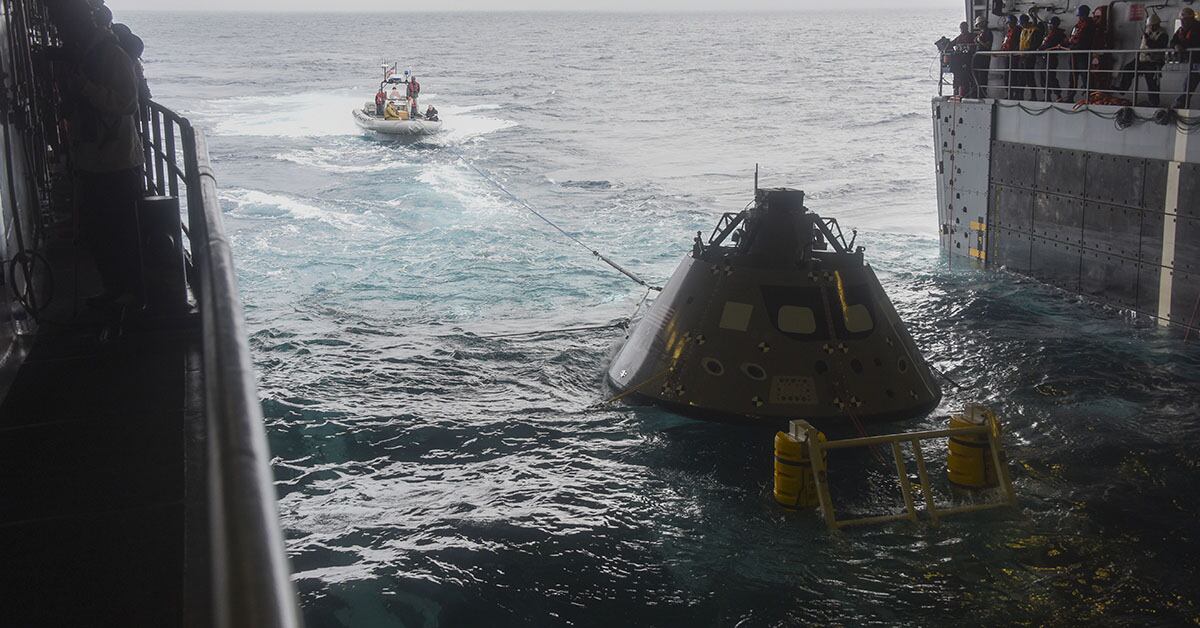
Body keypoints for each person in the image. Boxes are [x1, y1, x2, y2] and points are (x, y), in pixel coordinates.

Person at [56, 2, 145, 307]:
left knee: (122, 229)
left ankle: (132, 291)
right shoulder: (86, 57)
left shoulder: (112, 56)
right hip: (92, 159)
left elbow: (127, 103)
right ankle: (114, 287)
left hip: (117, 160)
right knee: (98, 230)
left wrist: (85, 88)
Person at [1115, 13, 1168, 107]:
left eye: (1151, 26)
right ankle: (1122, 88)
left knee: (1152, 83)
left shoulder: (1163, 35)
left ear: (1156, 25)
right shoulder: (1148, 32)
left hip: (1153, 62)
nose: (1150, 27)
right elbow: (1143, 46)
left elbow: (1157, 47)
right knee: (1128, 68)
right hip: (1141, 59)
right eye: (1149, 26)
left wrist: (1148, 40)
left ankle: (1154, 103)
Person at [1066, 5, 1097, 100]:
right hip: (1074, 54)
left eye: (1081, 15)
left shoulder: (1090, 26)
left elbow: (1086, 41)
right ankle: (1070, 96)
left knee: (1085, 76)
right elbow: (1071, 38)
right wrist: (1067, 44)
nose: (1080, 17)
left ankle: (1090, 97)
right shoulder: (1077, 26)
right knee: (1072, 77)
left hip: (1082, 55)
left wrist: (1074, 47)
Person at [1173, 8, 1200, 109]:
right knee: (1188, 85)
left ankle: (1180, 103)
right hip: (1194, 62)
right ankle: (1180, 105)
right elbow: (1173, 41)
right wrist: (1176, 45)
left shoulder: (1198, 28)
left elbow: (1195, 42)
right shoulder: (1181, 30)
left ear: (1191, 19)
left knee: (1189, 85)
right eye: (1182, 20)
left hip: (1197, 60)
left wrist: (1183, 43)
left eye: (1185, 20)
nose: (1183, 22)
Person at [1038, 16, 1067, 101]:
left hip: (1051, 58)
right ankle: (1047, 96)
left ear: (1055, 25)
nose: (1050, 26)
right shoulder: (1049, 34)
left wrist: (1044, 48)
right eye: (1049, 24)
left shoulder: (1059, 34)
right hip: (1045, 58)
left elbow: (1062, 44)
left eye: (1051, 24)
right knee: (1043, 78)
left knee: (1051, 77)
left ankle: (1058, 95)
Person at [1016, 14, 1043, 99]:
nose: (1021, 25)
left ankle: (1033, 95)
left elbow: (1036, 44)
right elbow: (1020, 43)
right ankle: (1020, 95)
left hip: (1030, 57)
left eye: (1022, 23)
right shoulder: (1023, 30)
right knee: (1021, 76)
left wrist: (1028, 51)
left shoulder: (1035, 31)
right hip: (1022, 56)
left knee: (1029, 76)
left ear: (1026, 22)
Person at [947, 21, 975, 97]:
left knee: (966, 77)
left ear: (967, 28)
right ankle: (957, 90)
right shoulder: (959, 37)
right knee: (958, 76)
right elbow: (951, 44)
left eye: (963, 28)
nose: (962, 29)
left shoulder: (971, 36)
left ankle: (967, 91)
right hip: (959, 62)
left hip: (968, 60)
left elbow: (973, 46)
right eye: (961, 28)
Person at [972, 15, 994, 98]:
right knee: (977, 75)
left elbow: (987, 46)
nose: (979, 26)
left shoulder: (988, 33)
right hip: (979, 57)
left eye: (980, 24)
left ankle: (982, 93)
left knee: (983, 76)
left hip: (984, 58)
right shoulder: (982, 33)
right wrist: (977, 42)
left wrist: (979, 41)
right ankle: (977, 92)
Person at [999, 14, 1019, 97]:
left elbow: (1017, 43)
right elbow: (1005, 43)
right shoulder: (1009, 32)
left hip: (1014, 56)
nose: (1008, 25)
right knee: (1007, 76)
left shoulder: (1018, 31)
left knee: (1013, 75)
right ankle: (1009, 93)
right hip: (1007, 56)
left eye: (1009, 23)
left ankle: (1015, 93)